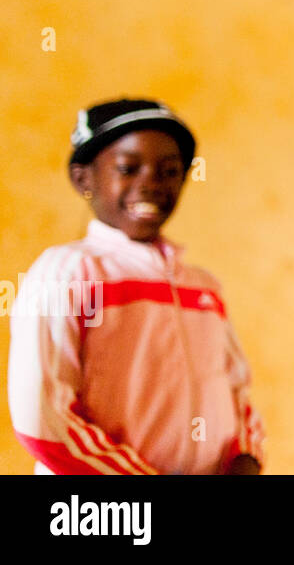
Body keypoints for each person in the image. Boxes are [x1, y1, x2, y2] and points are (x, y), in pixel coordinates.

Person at [7, 99, 264, 475]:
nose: (151, 183)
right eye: (129, 168)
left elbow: (237, 390)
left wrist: (245, 458)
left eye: (170, 171)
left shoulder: (204, 289)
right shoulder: (68, 272)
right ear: (84, 179)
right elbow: (43, 417)